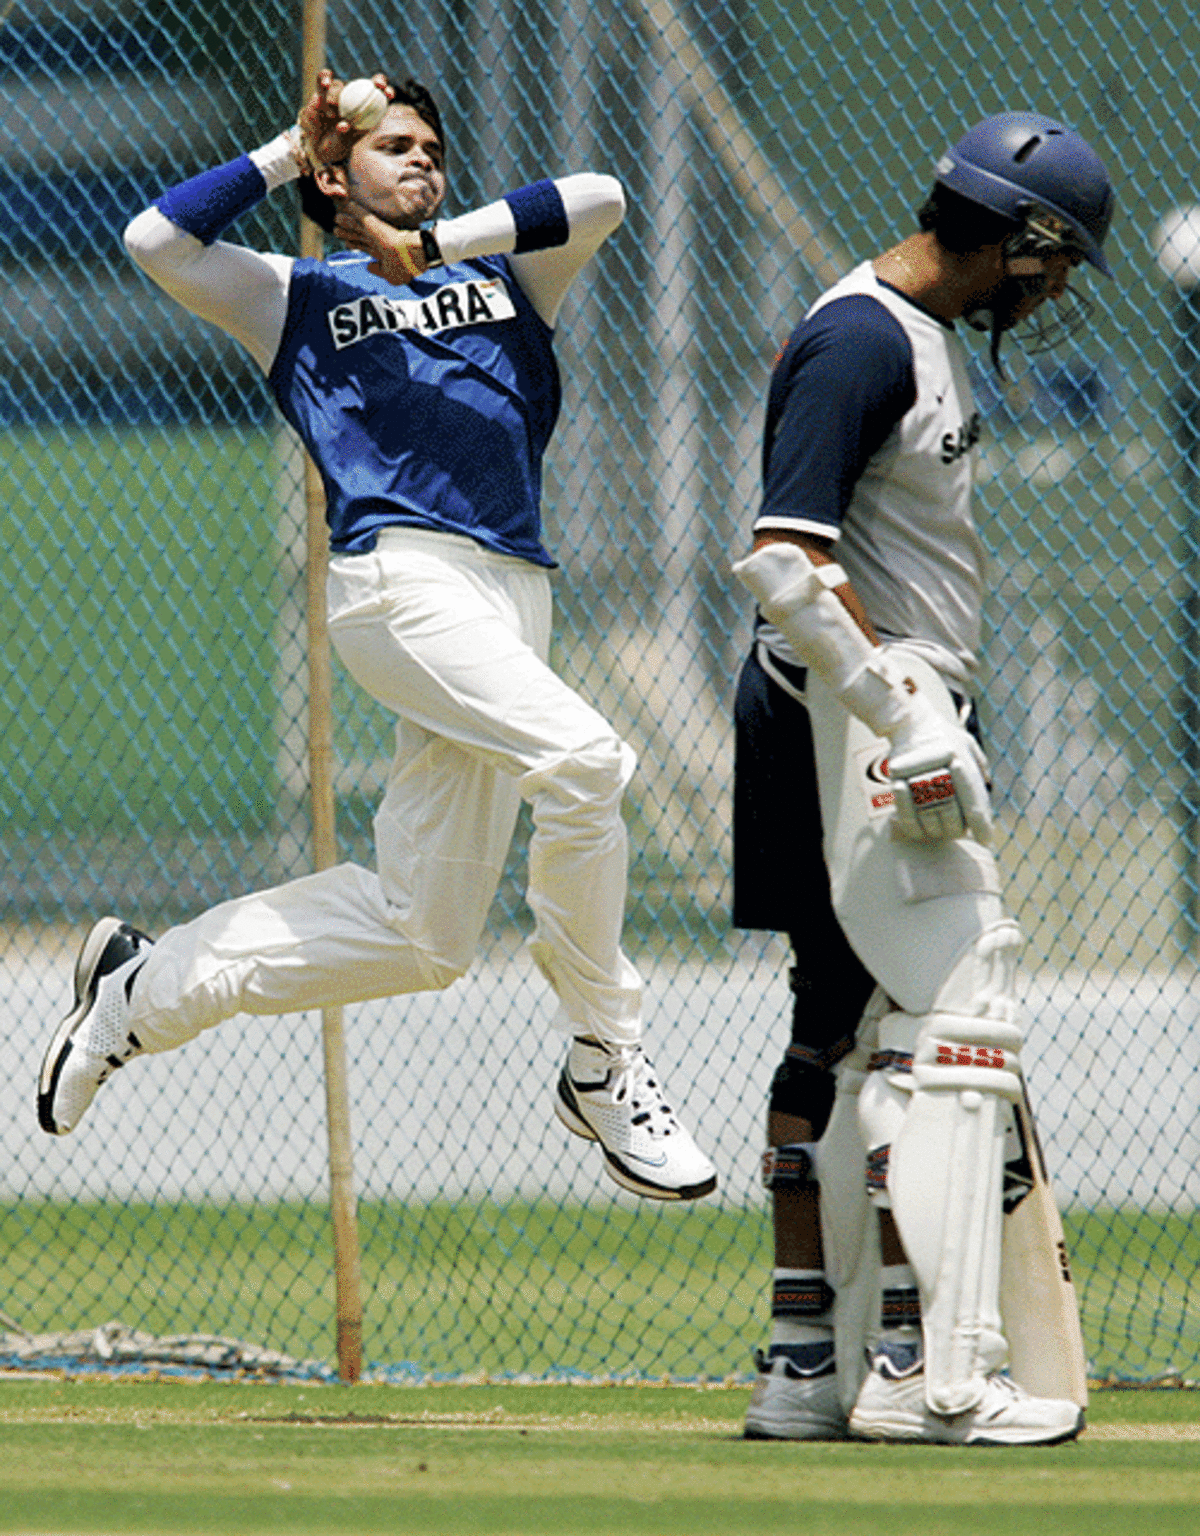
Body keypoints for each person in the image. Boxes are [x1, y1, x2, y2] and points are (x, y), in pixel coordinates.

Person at [37, 68, 716, 1205]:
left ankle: (137, 994)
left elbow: (599, 196)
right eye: (391, 144)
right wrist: (278, 154)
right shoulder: (291, 295)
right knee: (587, 762)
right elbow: (153, 238)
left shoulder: (504, 270)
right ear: (337, 173)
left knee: (424, 937)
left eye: (430, 145)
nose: (421, 158)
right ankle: (606, 1057)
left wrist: (438, 244)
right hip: (401, 582)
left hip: (512, 595)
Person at [731, 113, 1114, 1443]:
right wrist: (908, 714)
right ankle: (931, 1377)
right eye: (1057, 263)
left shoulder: (903, 336)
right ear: (1024, 238)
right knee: (960, 1007)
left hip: (836, 711)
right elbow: (787, 561)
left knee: (836, 1023)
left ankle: (807, 1367)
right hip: (866, 716)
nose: (1057, 288)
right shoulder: (864, 339)